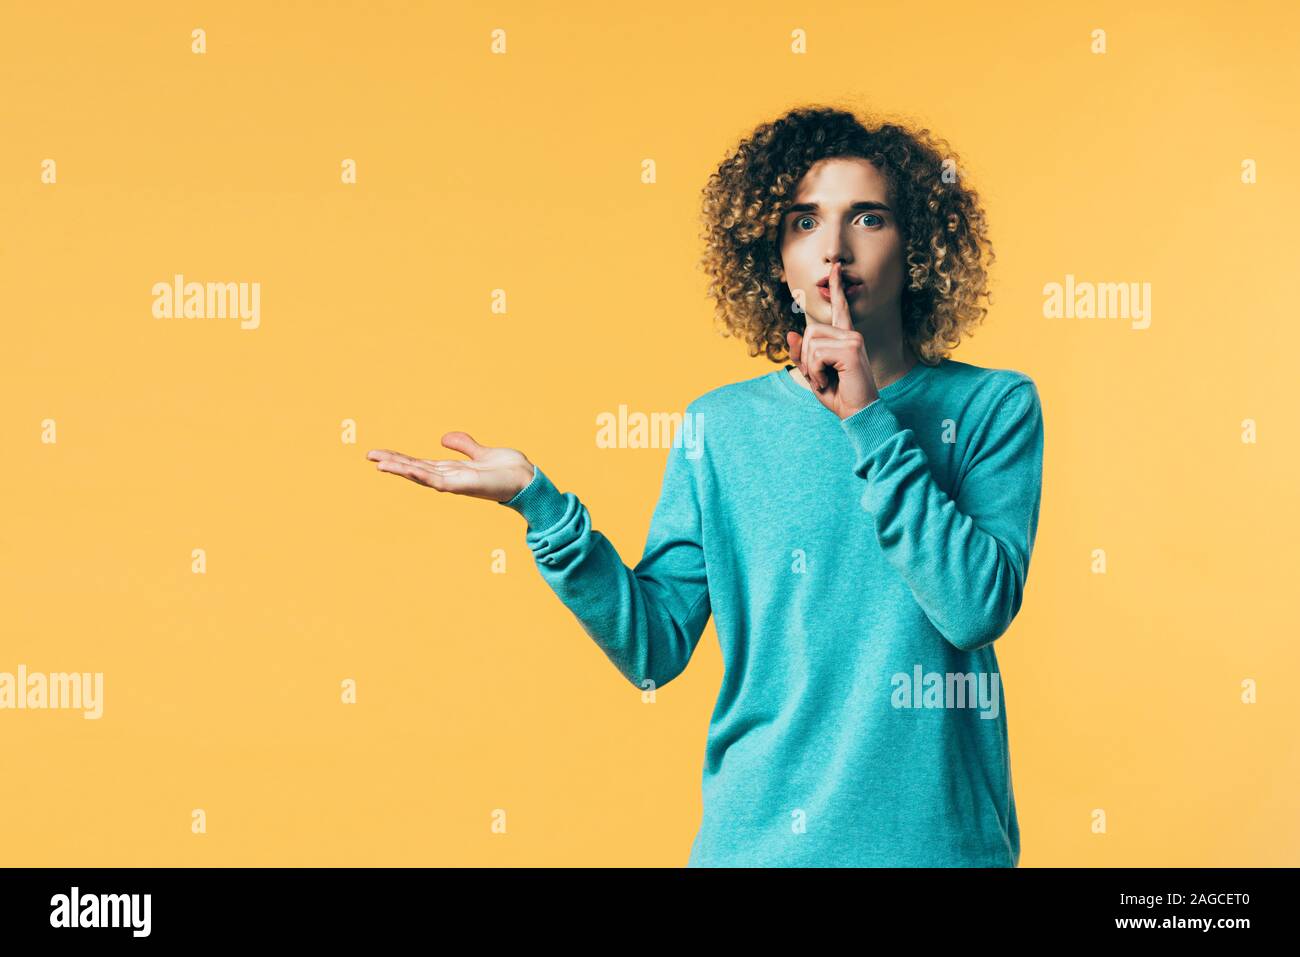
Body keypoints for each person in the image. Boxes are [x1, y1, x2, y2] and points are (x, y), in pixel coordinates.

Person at [367, 105, 1045, 867]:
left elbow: (974, 607)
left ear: (916, 244)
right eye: (803, 222)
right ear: (772, 257)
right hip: (756, 849)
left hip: (939, 848)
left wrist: (867, 419)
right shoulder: (719, 427)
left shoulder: (992, 407)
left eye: (869, 218)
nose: (834, 249)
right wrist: (542, 506)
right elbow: (653, 646)